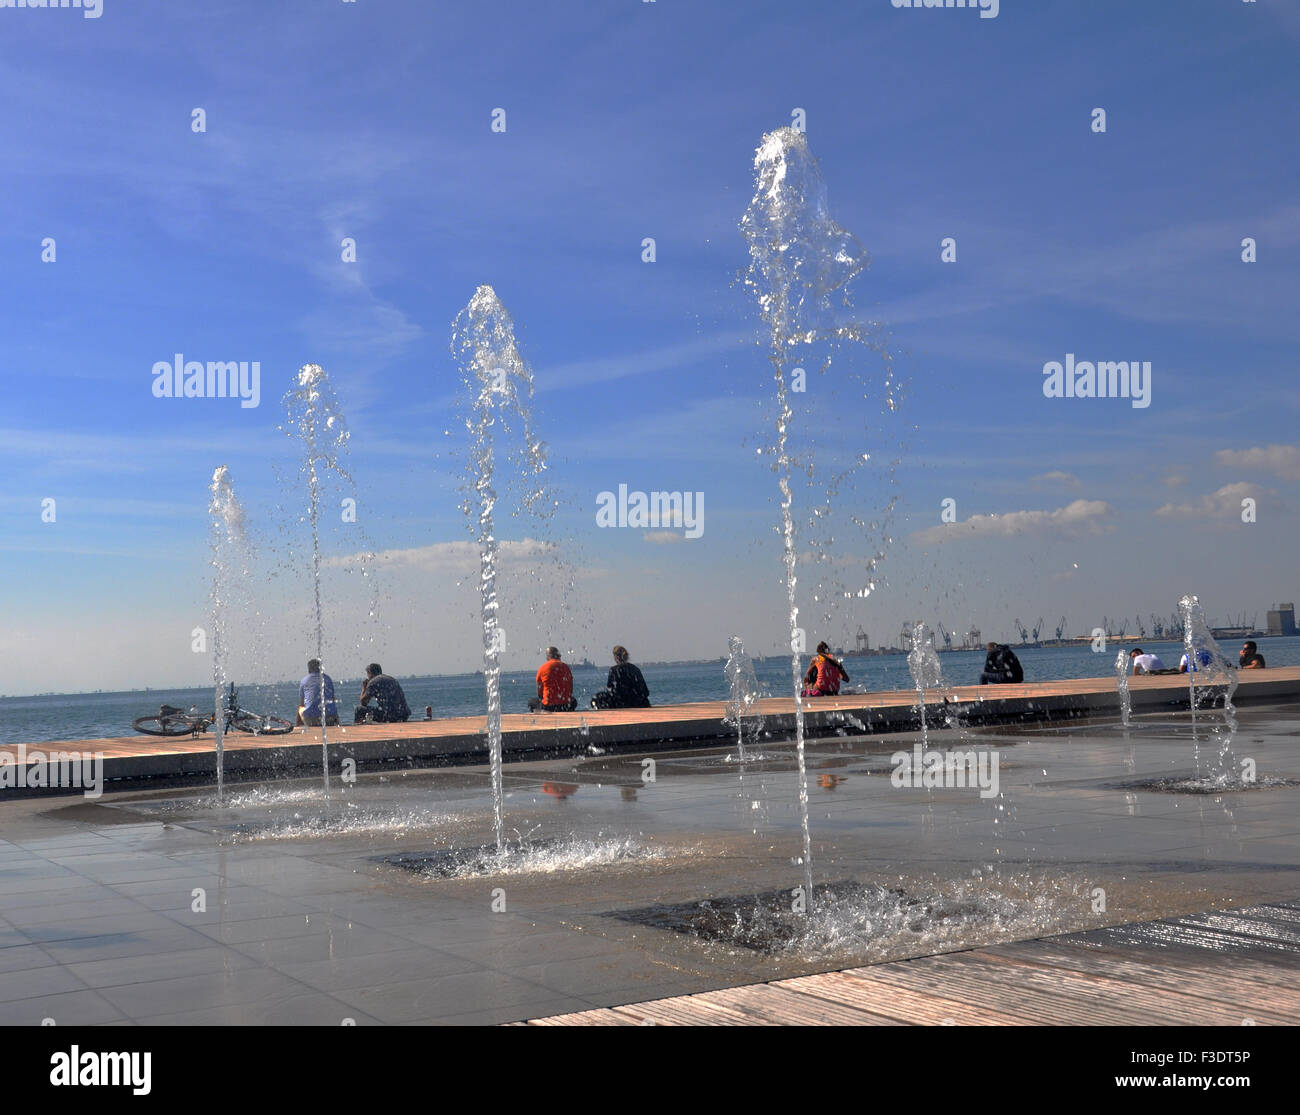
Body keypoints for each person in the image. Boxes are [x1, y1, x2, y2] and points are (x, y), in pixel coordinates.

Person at [529, 647, 577, 712]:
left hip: (549, 706)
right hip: (566, 705)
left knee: (532, 702)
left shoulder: (542, 668)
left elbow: (539, 693)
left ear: (547, 656)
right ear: (558, 655)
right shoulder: (566, 667)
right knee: (573, 701)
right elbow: (570, 690)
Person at [297, 659, 340, 726]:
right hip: (330, 718)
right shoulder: (328, 678)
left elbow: (302, 704)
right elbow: (333, 699)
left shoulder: (304, 681)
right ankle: (338, 723)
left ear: (309, 669)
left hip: (312, 720)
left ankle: (297, 726)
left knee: (300, 708)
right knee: (333, 705)